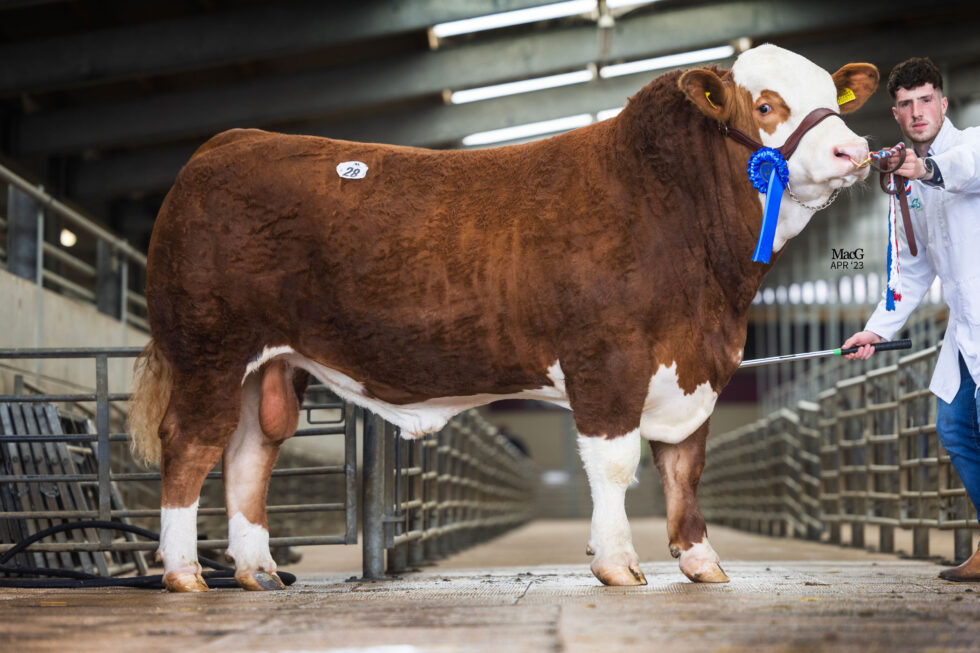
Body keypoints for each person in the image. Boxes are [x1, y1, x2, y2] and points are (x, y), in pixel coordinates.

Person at [843, 57, 980, 581]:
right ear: (895, 115)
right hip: (964, 327)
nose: (917, 111)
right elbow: (911, 270)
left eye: (926, 100)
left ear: (943, 103)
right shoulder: (904, 187)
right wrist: (877, 329)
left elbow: (964, 170)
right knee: (955, 426)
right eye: (905, 104)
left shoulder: (968, 147)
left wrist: (922, 169)